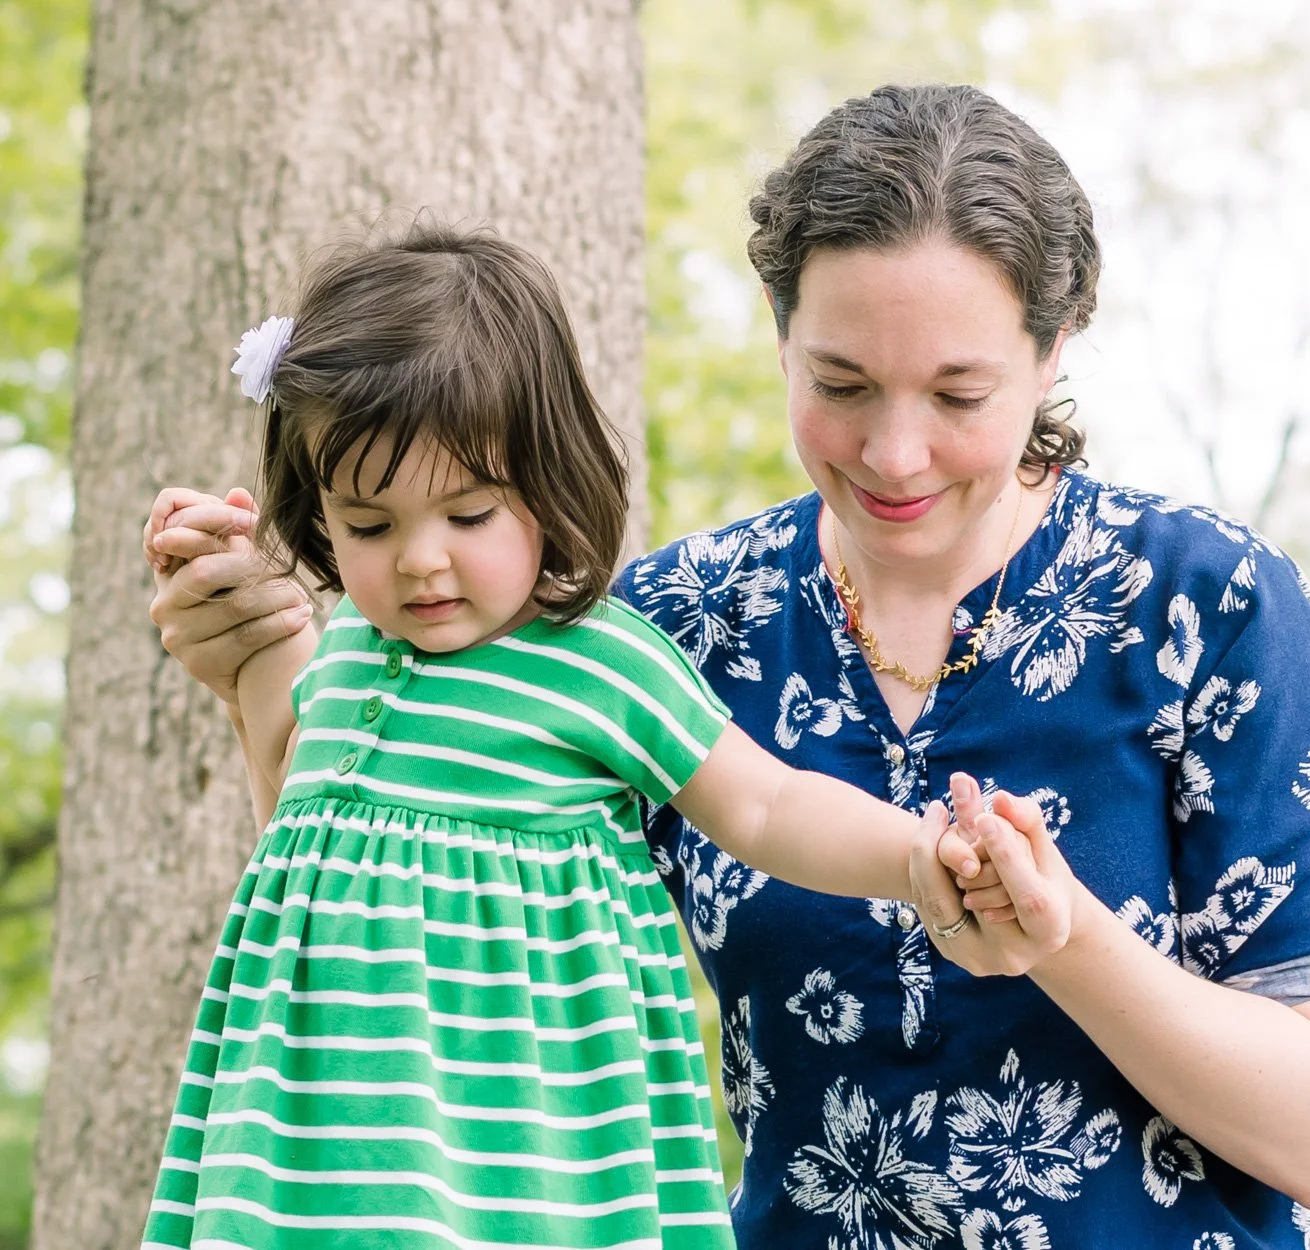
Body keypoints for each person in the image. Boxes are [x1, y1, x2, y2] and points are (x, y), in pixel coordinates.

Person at [146, 86, 1310, 1249]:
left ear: (1058, 344)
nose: (896, 452)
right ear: (780, 330)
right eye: (841, 383)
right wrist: (268, 680)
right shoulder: (666, 625)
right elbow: (398, 927)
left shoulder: (1209, 603)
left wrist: (1061, 937)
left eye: (959, 391)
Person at [136, 220, 986, 1250]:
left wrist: (914, 850)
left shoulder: (596, 659)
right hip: (311, 1150)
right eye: (368, 524)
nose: (419, 563)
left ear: (547, 483)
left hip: (525, 1153)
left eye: (469, 513)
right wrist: (253, 639)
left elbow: (762, 802)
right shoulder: (349, 650)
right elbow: (293, 816)